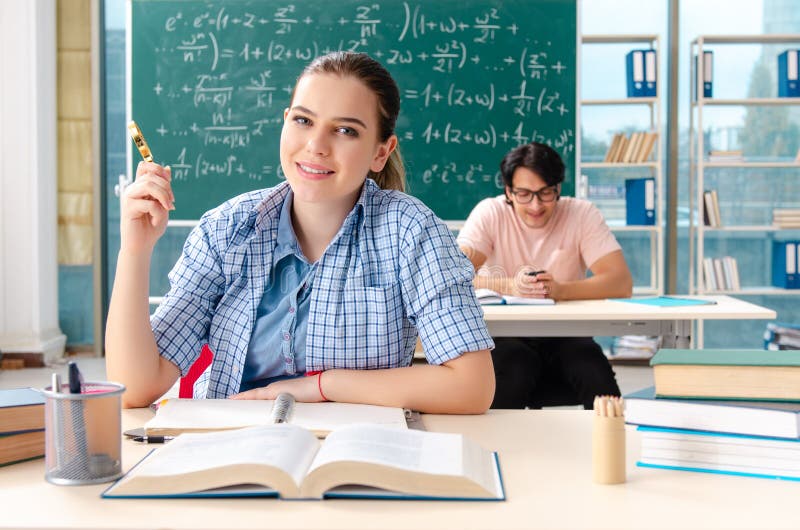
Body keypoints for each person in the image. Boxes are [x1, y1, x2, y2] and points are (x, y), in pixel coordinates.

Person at [106, 52, 495, 413]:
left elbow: (472, 386)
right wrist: (135, 251)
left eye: (345, 130)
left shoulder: (411, 230)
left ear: (381, 152)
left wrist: (322, 387)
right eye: (304, 121)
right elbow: (134, 386)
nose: (316, 146)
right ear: (286, 120)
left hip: (353, 454)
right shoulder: (226, 228)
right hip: (228, 448)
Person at [457, 142, 632, 409]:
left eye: (545, 193)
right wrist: (510, 286)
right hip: (507, 336)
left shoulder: (581, 214)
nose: (536, 205)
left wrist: (560, 291)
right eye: (524, 194)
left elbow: (620, 282)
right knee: (513, 366)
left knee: (593, 369)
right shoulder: (490, 213)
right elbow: (453, 274)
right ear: (508, 191)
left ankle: (616, 446)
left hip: (565, 334)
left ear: (558, 189)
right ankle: (495, 450)